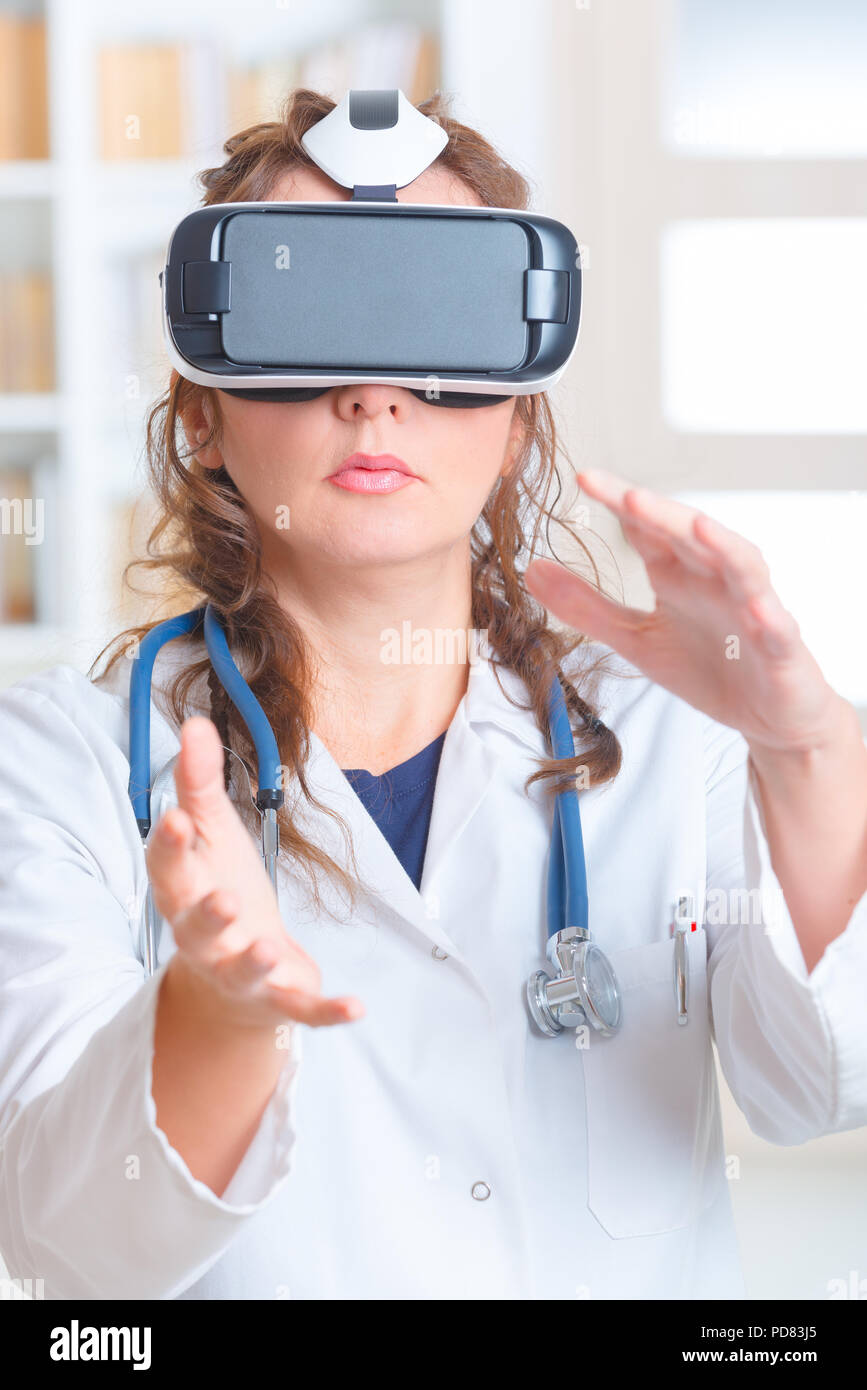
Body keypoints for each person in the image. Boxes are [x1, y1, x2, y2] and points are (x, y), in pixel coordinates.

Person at [0, 89, 865, 1302]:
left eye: (433, 320)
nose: (375, 391)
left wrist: (812, 748)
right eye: (311, 316)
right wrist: (216, 1015)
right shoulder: (58, 767)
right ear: (201, 409)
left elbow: (818, 1084)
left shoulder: (682, 733)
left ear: (513, 421)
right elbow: (62, 1236)